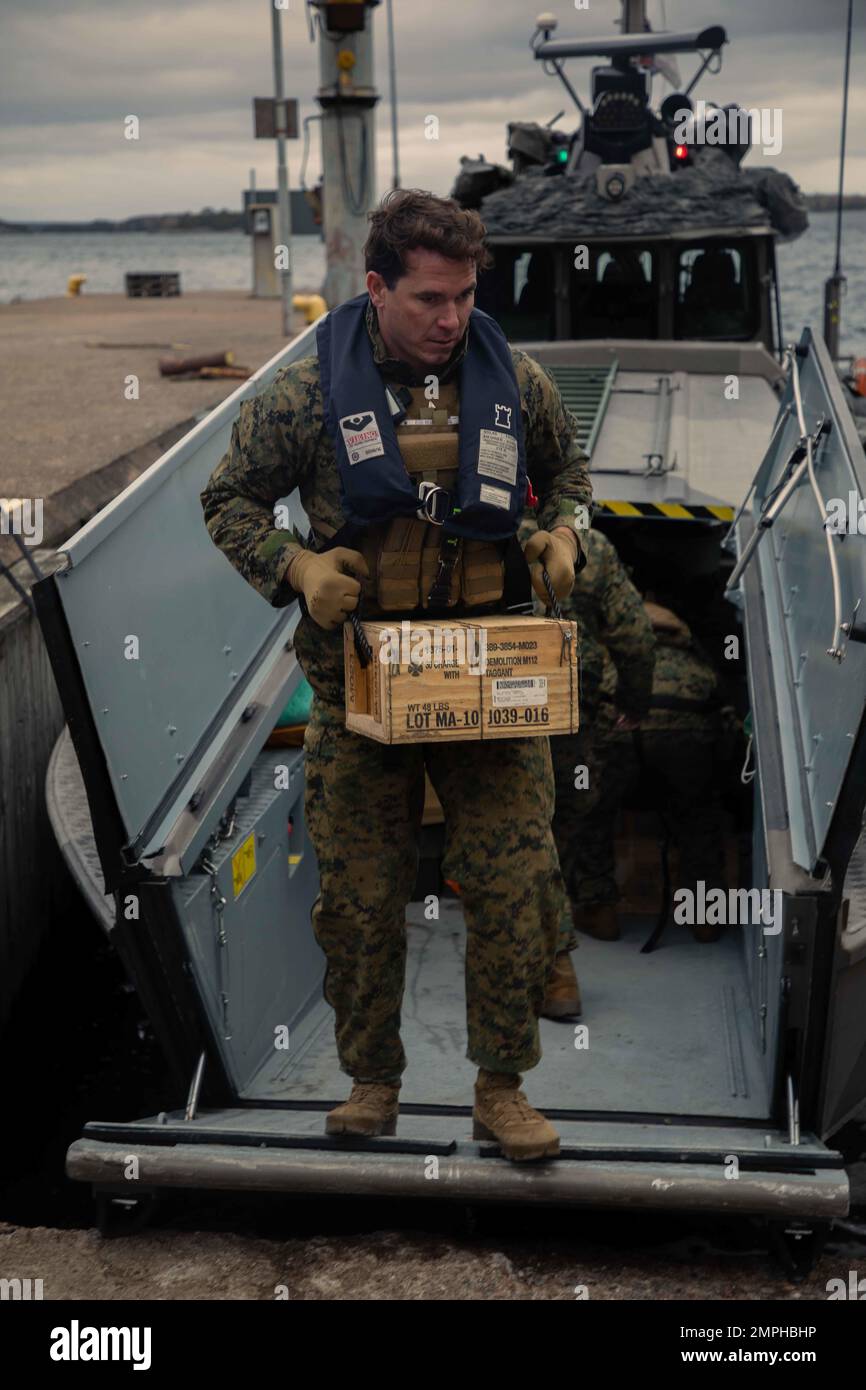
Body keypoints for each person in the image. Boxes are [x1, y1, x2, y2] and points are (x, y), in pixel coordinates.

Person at [200, 188, 592, 1162]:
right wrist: (295, 567)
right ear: (374, 287)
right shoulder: (302, 394)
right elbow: (228, 498)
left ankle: (500, 1091)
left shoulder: (518, 382)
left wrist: (560, 536)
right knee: (359, 902)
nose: (450, 318)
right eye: (427, 297)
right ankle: (372, 1081)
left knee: (510, 886)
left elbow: (572, 479)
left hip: (489, 683)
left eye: (463, 296)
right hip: (360, 692)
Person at [528, 526, 655, 994]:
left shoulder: (476, 534)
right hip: (570, 714)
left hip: (493, 716)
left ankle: (547, 963)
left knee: (512, 837)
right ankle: (592, 916)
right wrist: (634, 703)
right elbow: (636, 636)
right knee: (571, 823)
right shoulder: (590, 547)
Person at [567, 599, 729, 943]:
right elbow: (725, 719)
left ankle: (599, 910)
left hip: (622, 735)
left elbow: (585, 709)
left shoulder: (614, 657)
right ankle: (705, 916)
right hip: (688, 738)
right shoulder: (694, 660)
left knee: (591, 814)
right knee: (699, 818)